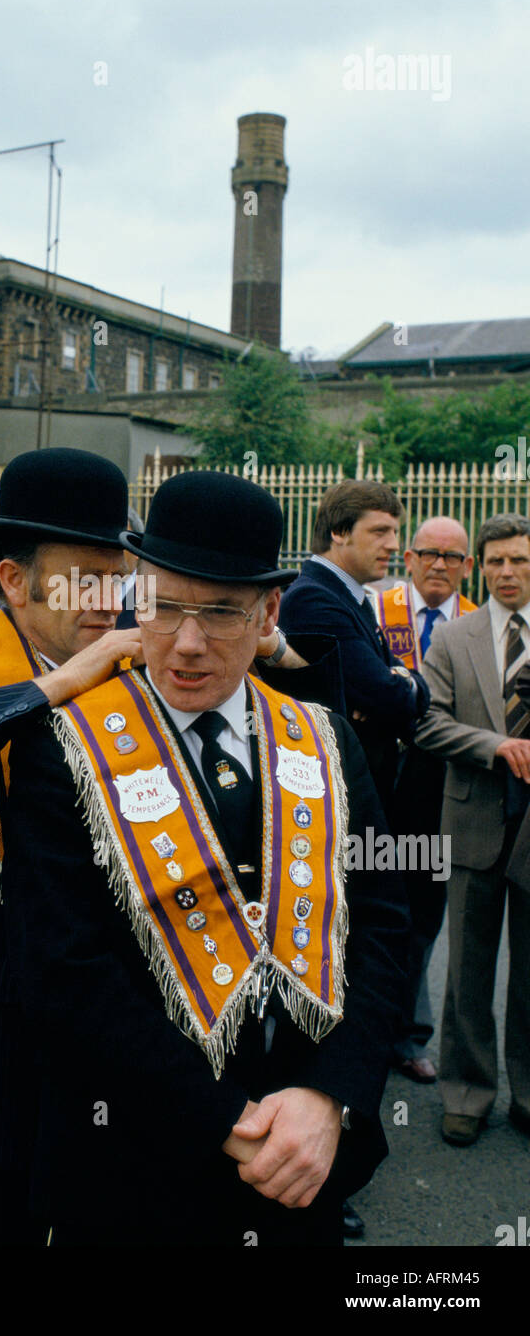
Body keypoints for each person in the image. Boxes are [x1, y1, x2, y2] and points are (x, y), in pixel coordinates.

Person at [0, 449, 342, 1247]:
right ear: (16, 583)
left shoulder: (151, 646)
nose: (107, 600)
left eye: (118, 578)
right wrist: (60, 683)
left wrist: (263, 637)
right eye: (82, 579)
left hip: (122, 1060)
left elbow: (291, 755)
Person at [0, 471, 409, 1246]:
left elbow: (383, 924)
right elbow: (63, 970)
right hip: (130, 1168)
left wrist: (329, 1098)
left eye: (220, 612)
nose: (187, 643)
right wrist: (228, 1120)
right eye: (164, 607)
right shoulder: (63, 746)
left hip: (300, 1164)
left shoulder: (324, 737)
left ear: (268, 615)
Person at [414, 513, 530, 1146]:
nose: (506, 573)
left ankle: (528, 1094)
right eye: (495, 563)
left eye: (518, 561)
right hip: (475, 818)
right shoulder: (454, 637)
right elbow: (426, 723)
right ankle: (466, 1092)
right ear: (479, 568)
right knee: (468, 971)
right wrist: (493, 745)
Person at [378, 518, 475, 1085]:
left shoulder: (474, 626)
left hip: (433, 790)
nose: (440, 565)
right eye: (430, 553)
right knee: (364, 907)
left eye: (454, 557)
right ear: (409, 558)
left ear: (466, 568)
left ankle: (410, 1035)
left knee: (422, 918)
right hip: (374, 779)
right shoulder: (374, 607)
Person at [280, 480, 429, 810]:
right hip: (342, 796)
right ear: (338, 531)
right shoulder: (314, 599)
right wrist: (400, 685)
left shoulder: (347, 594)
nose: (393, 544)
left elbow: (393, 690)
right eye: (380, 531)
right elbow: (389, 695)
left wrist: (399, 684)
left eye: (394, 531)